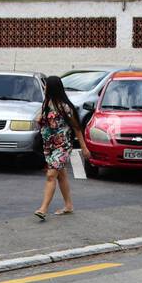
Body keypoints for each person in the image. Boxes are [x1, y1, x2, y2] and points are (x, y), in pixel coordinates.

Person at [34, 75, 90, 221]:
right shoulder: (47, 103)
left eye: (46, 86)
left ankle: (43, 209)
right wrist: (40, 119)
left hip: (62, 145)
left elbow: (77, 128)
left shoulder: (65, 107)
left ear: (52, 88)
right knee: (62, 175)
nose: (44, 88)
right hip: (50, 145)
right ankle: (69, 205)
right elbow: (43, 120)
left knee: (51, 175)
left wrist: (84, 148)